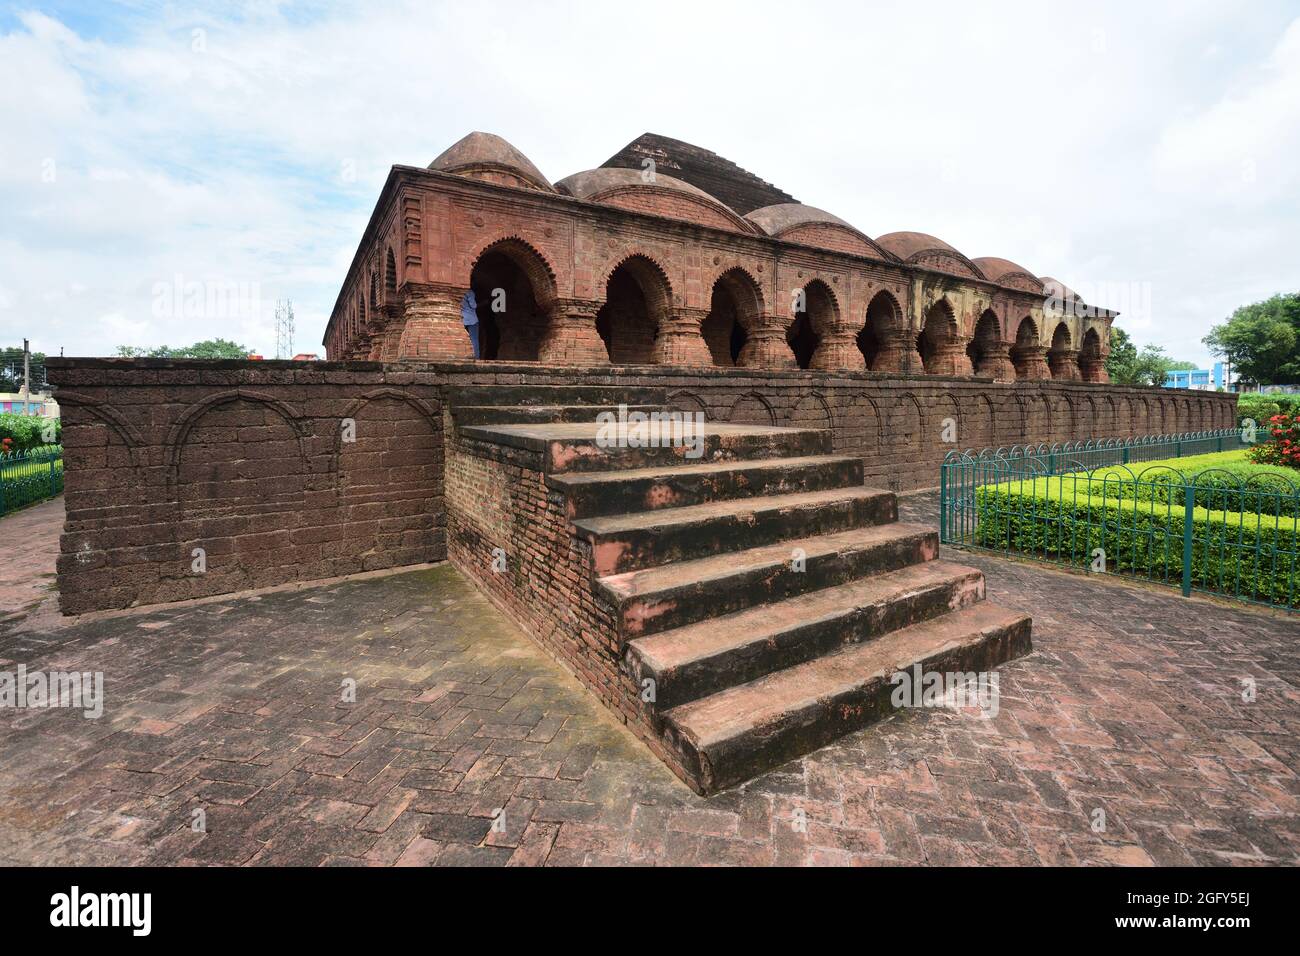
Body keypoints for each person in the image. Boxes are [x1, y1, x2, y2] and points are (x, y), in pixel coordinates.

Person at [460, 289, 480, 358]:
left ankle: (461, 356)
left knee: (461, 338)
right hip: (472, 319)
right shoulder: (469, 292)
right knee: (474, 339)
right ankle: (476, 358)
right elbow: (473, 305)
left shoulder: (458, 292)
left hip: (462, 319)